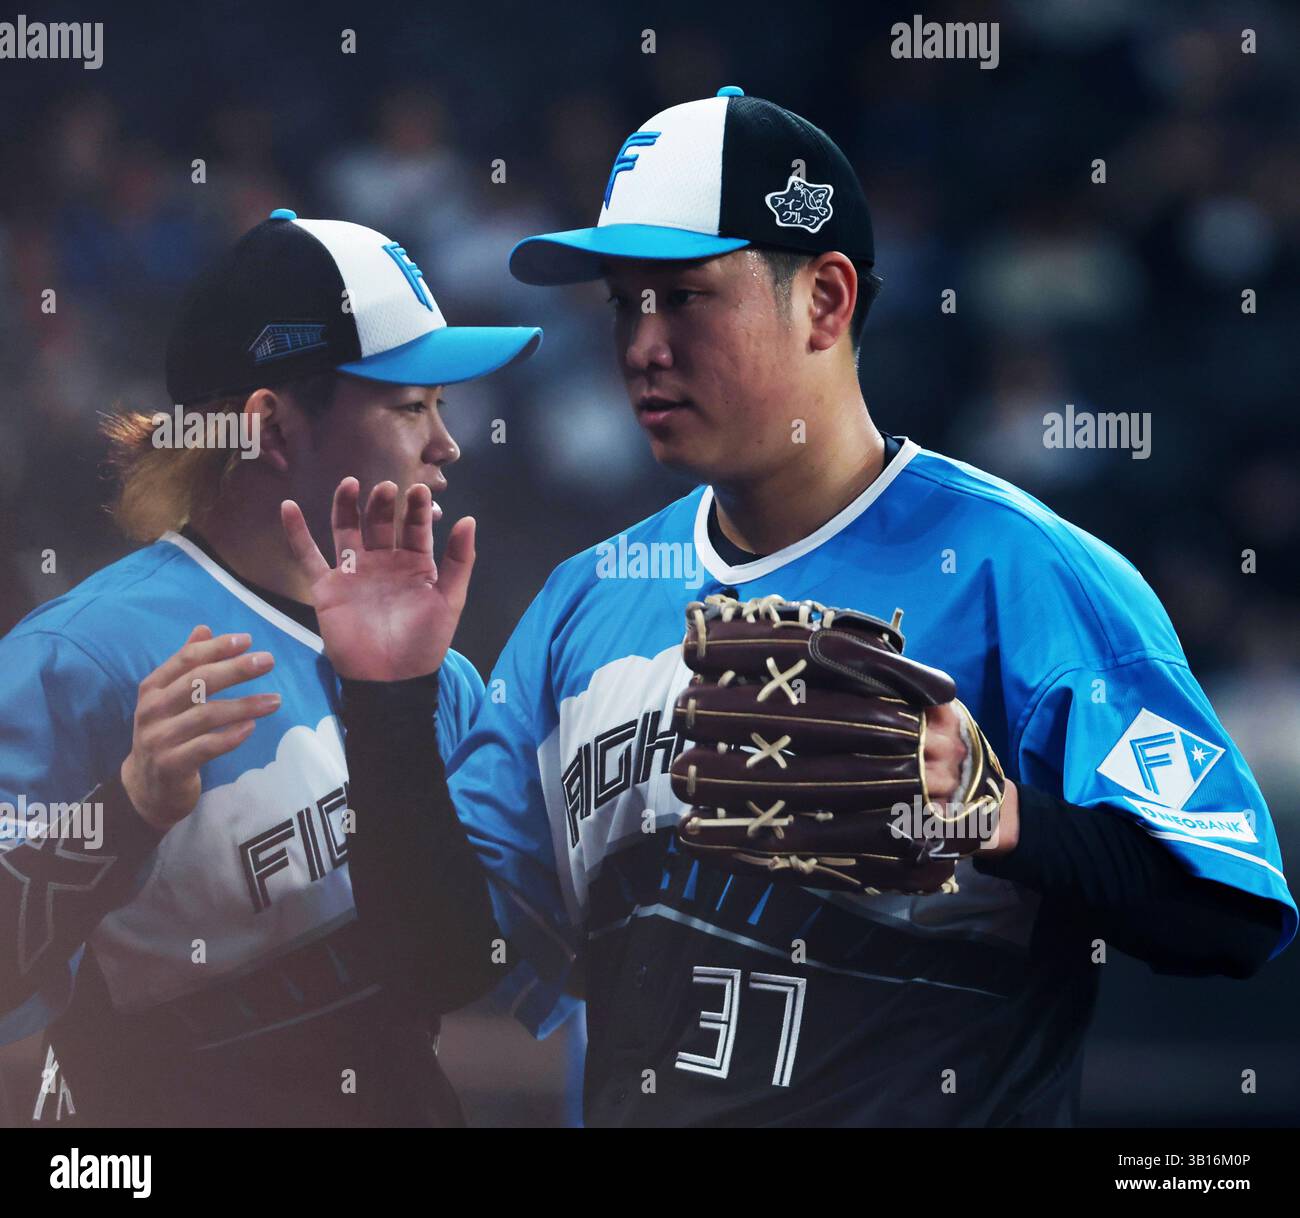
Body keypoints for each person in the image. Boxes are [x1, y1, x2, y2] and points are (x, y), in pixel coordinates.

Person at [322, 88, 1295, 1128]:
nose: (641, 344)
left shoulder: (1021, 572)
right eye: (622, 302)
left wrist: (1003, 818)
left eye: (684, 296)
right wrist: (387, 704)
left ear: (825, 301)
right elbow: (442, 967)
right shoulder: (582, 606)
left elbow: (1227, 918)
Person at [0, 208, 540, 1126]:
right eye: (412, 406)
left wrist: (395, 705)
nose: (446, 445)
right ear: (272, 427)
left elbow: (463, 976)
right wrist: (125, 814)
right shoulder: (77, 660)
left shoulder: (432, 673)